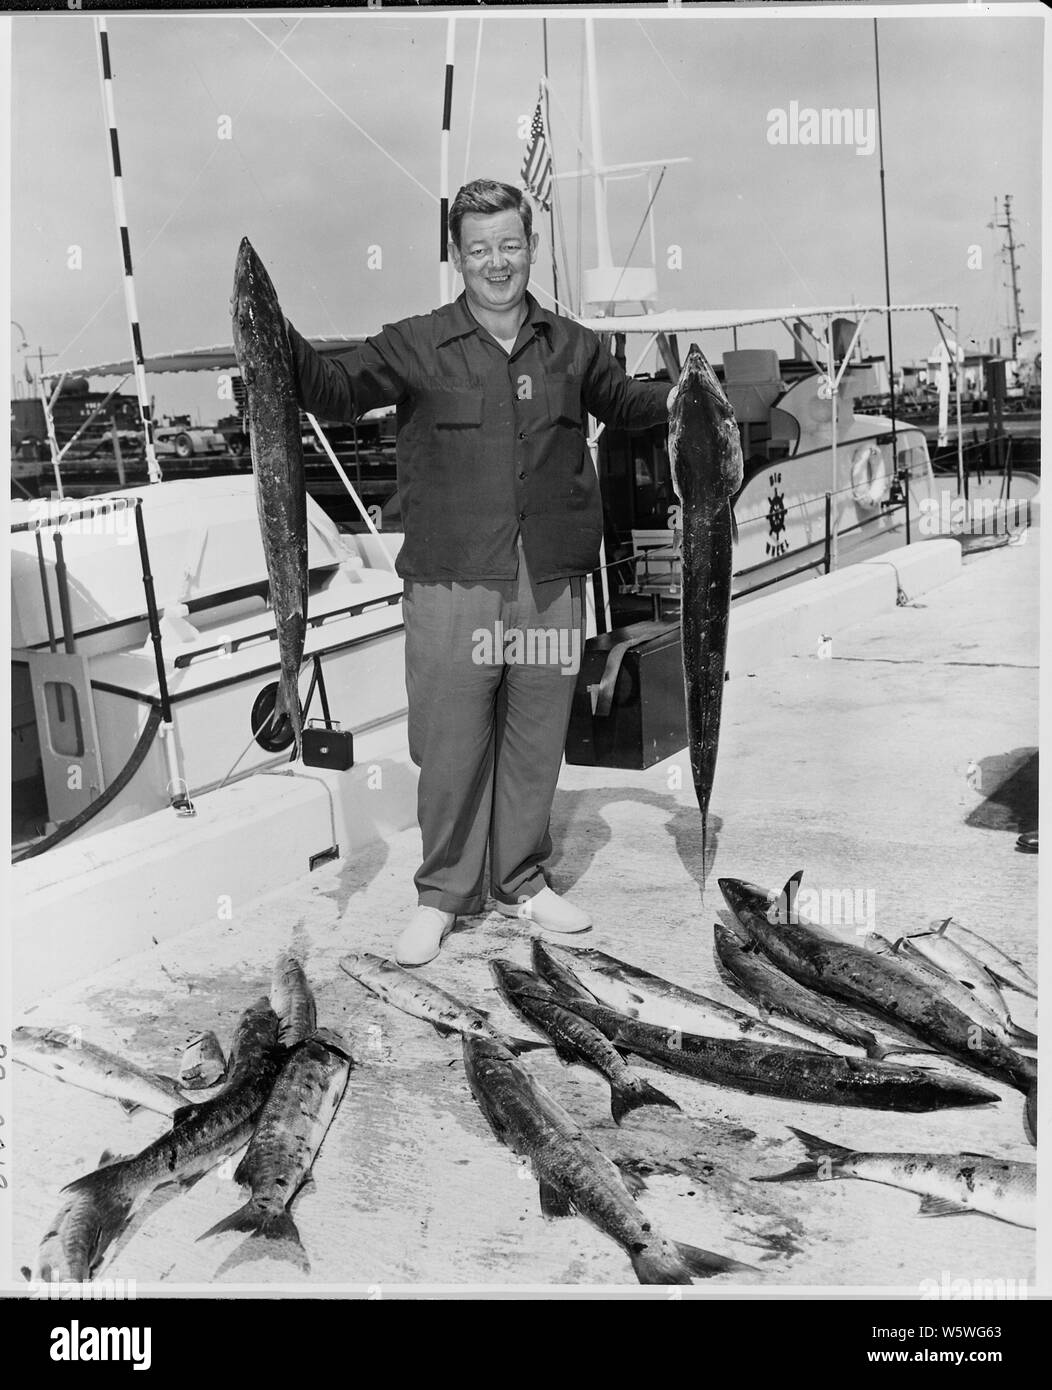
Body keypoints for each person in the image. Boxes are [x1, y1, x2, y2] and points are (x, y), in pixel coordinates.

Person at [287, 178, 674, 965]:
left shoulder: (573, 346)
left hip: (551, 582)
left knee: (534, 738)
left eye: (510, 245)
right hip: (453, 584)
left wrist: (691, 393)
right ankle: (443, 896)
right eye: (479, 249)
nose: (497, 263)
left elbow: (629, 404)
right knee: (451, 740)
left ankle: (524, 882)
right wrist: (274, 334)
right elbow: (334, 390)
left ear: (529, 247)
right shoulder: (414, 342)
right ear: (456, 256)